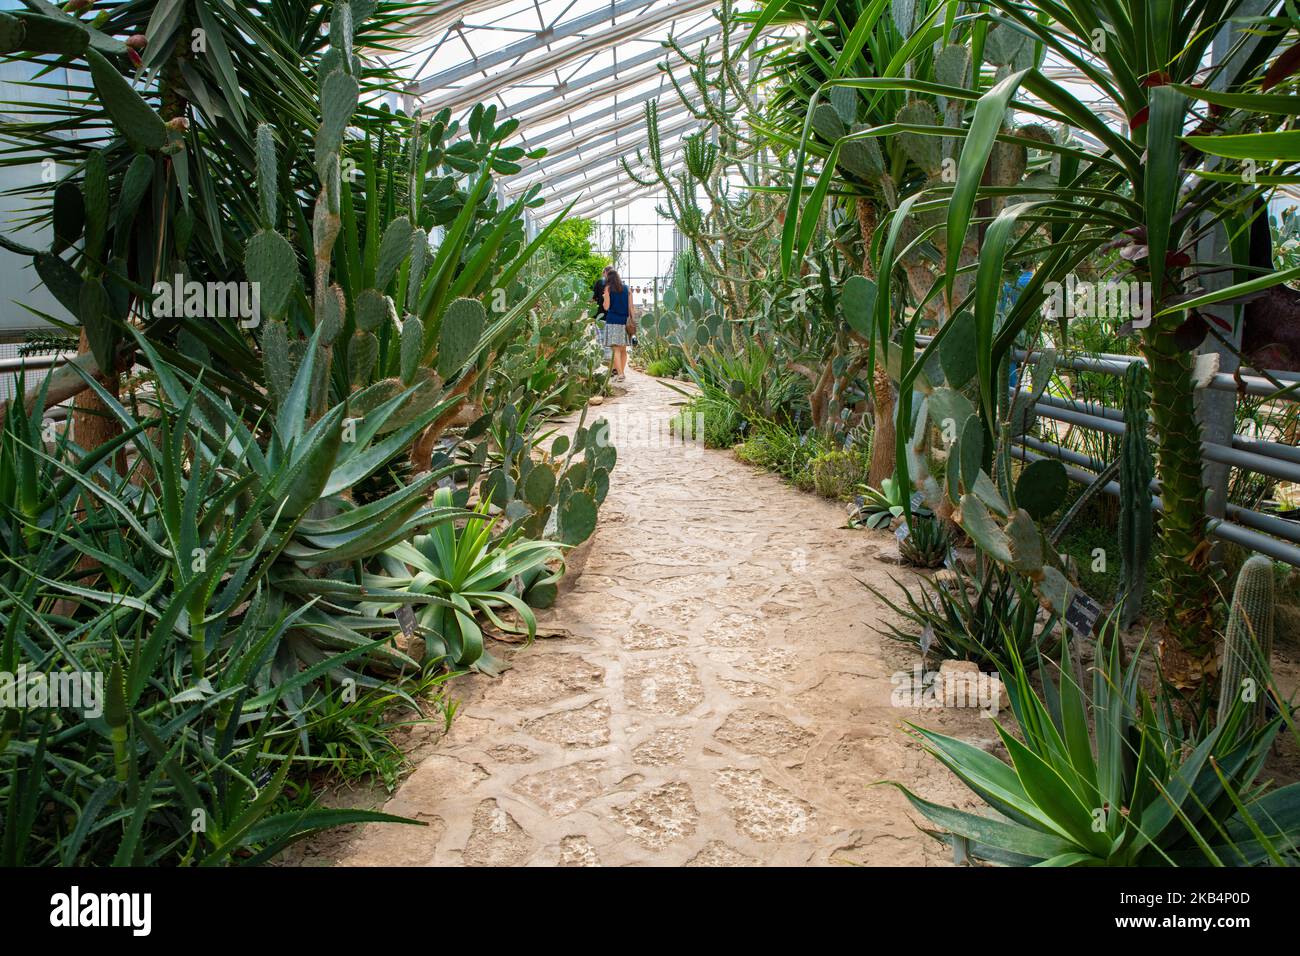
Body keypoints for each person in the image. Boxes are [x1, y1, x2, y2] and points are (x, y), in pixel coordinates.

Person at [602, 269, 633, 381]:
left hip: (613, 321)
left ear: (609, 279)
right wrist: (632, 321)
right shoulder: (627, 289)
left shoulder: (608, 289)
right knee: (623, 349)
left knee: (615, 350)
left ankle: (620, 374)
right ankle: (621, 373)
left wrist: (604, 298)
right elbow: (631, 308)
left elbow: (606, 307)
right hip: (624, 322)